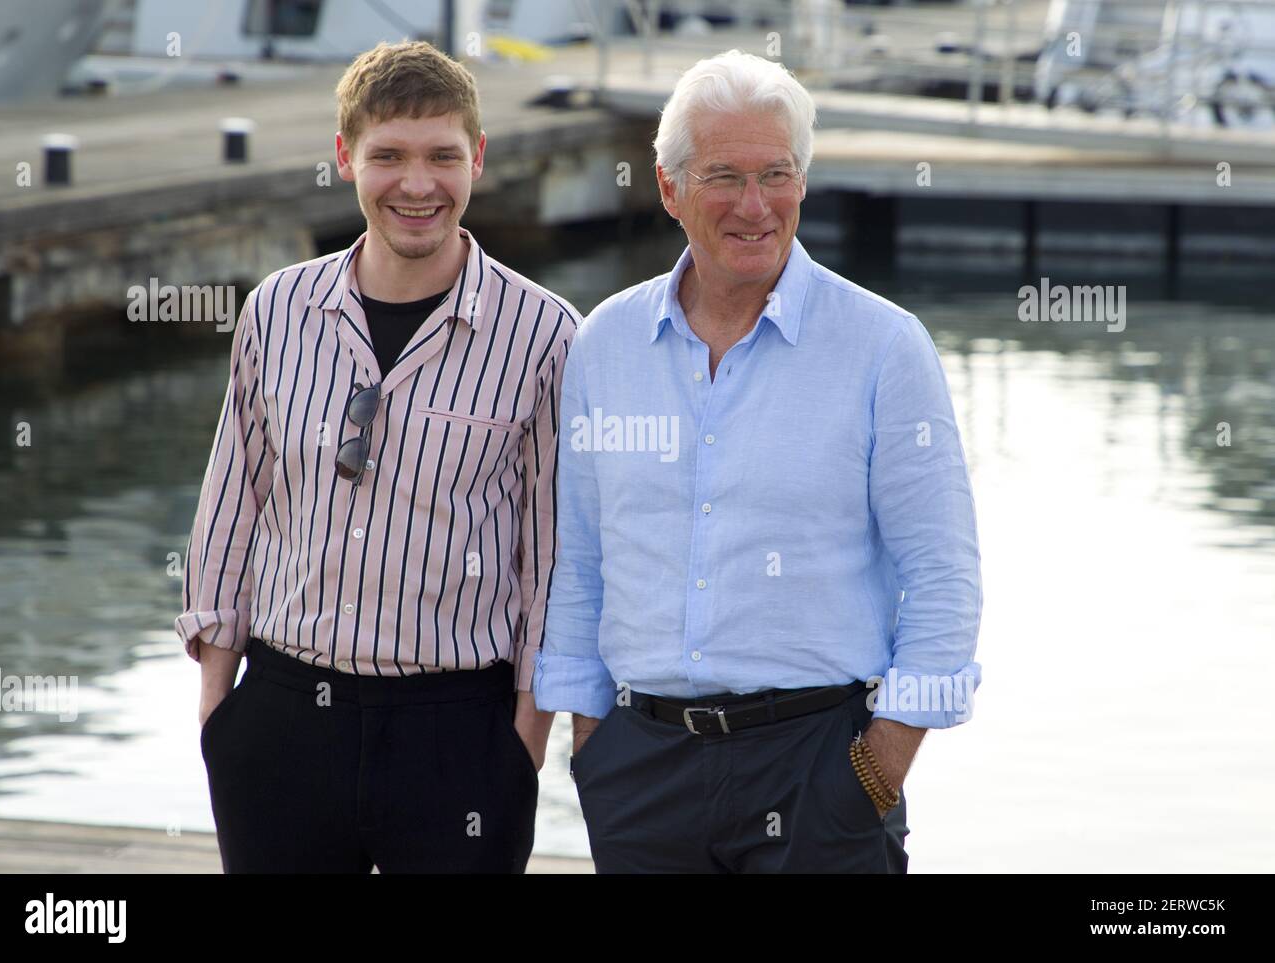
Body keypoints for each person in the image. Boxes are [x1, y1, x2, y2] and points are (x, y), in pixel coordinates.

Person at [534, 50, 983, 873]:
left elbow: (943, 572)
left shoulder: (884, 347)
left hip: (822, 770)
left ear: (803, 181)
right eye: (724, 177)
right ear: (670, 190)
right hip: (641, 772)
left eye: (777, 173)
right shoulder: (604, 343)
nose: (755, 205)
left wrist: (878, 768)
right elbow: (582, 561)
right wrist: (591, 743)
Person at [176, 40, 579, 873]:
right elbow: (231, 507)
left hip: (459, 729)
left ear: (478, 158)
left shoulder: (545, 335)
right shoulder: (278, 311)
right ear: (344, 159)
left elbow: (554, 559)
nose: (418, 184)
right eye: (387, 155)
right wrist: (220, 713)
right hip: (281, 717)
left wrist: (521, 745)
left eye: (442, 156)